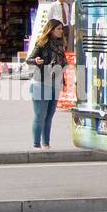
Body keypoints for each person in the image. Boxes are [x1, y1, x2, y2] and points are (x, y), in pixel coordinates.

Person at [28, 18, 68, 149]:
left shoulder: (61, 44)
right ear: (51, 30)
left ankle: (46, 143)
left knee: (49, 116)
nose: (61, 31)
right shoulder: (42, 43)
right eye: (58, 29)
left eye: (61, 29)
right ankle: (36, 144)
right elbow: (29, 59)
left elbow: (63, 61)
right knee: (40, 115)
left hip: (55, 83)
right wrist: (36, 60)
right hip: (40, 82)